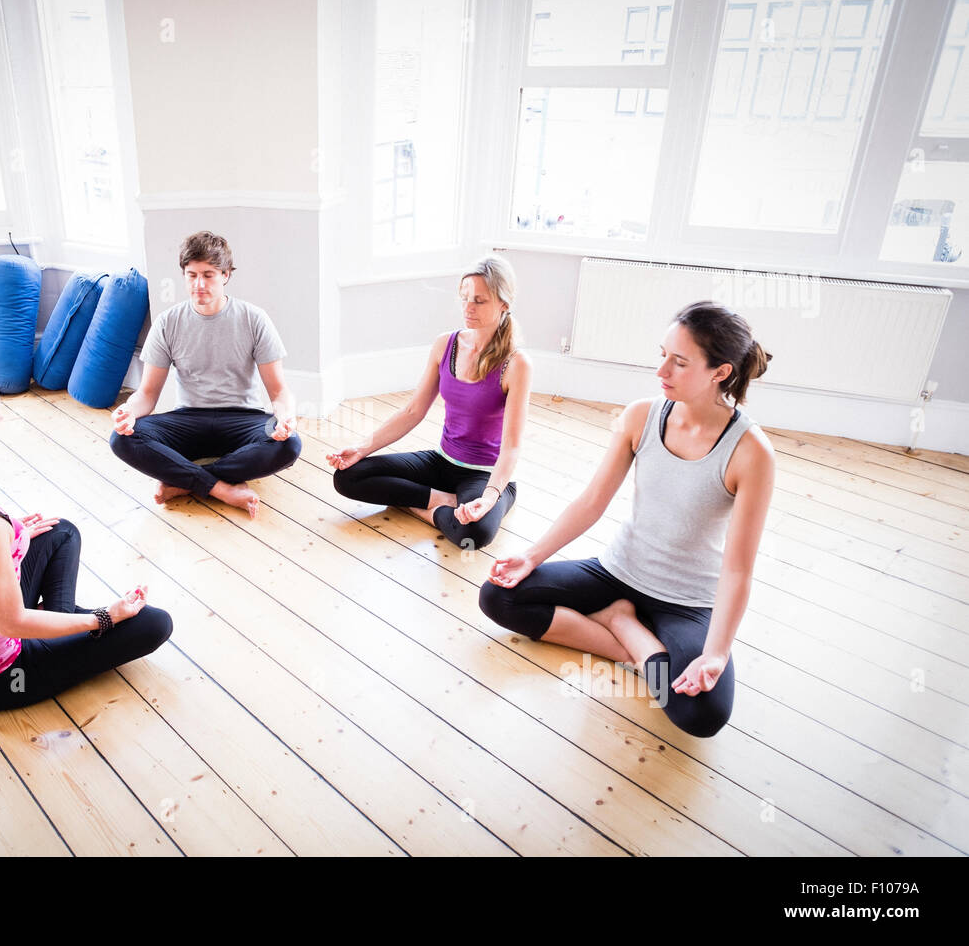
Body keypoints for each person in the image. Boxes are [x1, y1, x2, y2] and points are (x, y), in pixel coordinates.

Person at [479, 302, 775, 738]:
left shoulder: (752, 454)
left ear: (720, 372)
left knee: (702, 713)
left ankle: (621, 621)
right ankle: (636, 640)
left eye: (679, 362)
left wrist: (716, 653)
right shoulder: (641, 415)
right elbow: (592, 501)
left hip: (688, 602)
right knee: (498, 598)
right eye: (663, 355)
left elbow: (738, 568)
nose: (662, 371)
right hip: (618, 572)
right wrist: (531, 555)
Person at [0, 366, 173, 711]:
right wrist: (104, 617)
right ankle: (70, 627)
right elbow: (10, 622)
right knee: (155, 623)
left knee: (61, 533)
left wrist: (12, 539)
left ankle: (60, 626)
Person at [326, 255, 532, 550]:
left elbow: (512, 447)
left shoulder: (516, 363)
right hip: (442, 461)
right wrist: (362, 448)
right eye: (464, 298)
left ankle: (459, 503)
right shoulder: (445, 344)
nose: (468, 308)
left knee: (474, 534)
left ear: (504, 303)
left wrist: (489, 496)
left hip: (486, 473)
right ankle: (441, 502)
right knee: (348, 477)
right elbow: (412, 411)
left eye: (479, 300)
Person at [109, 231, 301, 519]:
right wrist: (128, 412)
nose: (199, 284)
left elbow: (278, 391)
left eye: (208, 275)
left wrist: (286, 416)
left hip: (243, 418)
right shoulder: (167, 323)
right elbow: (147, 394)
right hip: (189, 418)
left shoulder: (254, 318)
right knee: (121, 439)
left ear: (225, 275)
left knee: (290, 444)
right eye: (191, 275)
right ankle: (222, 489)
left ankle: (186, 483)